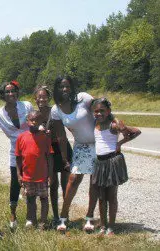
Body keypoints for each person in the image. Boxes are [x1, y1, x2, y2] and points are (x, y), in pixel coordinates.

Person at [0, 80, 33, 228]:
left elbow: (36, 121)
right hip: (15, 153)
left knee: (33, 182)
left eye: (13, 91)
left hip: (32, 150)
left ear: (17, 92)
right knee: (15, 183)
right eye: (7, 92)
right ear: (2, 95)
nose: (11, 94)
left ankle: (31, 217)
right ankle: (13, 215)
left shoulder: (26, 106)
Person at [50, 76, 98, 231]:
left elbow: (101, 112)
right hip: (81, 146)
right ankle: (63, 218)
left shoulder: (83, 98)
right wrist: (65, 158)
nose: (65, 89)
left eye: (68, 86)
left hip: (99, 144)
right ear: (56, 89)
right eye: (61, 87)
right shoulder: (56, 109)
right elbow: (61, 136)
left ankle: (89, 218)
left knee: (94, 182)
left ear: (72, 87)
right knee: (73, 178)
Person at [91, 98, 141, 235]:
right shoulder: (94, 123)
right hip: (99, 163)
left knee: (111, 196)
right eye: (96, 111)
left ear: (108, 111)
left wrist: (120, 143)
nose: (99, 113)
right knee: (101, 197)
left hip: (112, 161)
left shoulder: (114, 125)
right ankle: (103, 225)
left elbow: (136, 131)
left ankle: (111, 226)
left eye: (102, 111)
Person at [33, 86, 72, 224]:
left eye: (44, 96)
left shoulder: (54, 112)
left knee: (65, 184)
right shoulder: (35, 115)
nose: (42, 99)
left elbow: (61, 136)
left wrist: (65, 159)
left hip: (62, 149)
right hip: (48, 151)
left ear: (48, 98)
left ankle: (65, 215)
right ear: (35, 99)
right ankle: (55, 216)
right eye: (39, 97)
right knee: (53, 184)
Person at [15, 111, 53, 229]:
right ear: (27, 121)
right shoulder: (21, 137)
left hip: (42, 176)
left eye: (37, 120)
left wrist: (50, 175)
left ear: (42, 122)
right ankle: (30, 219)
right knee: (30, 199)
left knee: (44, 199)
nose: (34, 122)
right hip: (28, 176)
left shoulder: (45, 137)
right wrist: (18, 174)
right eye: (31, 119)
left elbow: (49, 157)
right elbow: (18, 157)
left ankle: (43, 221)